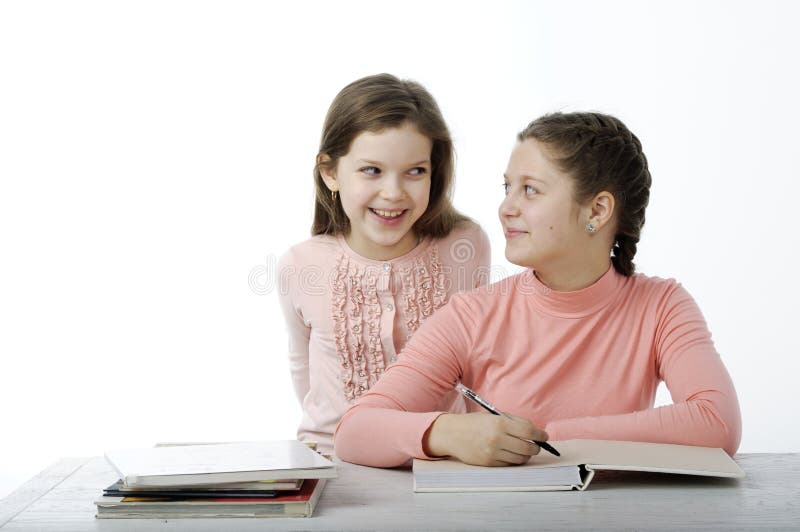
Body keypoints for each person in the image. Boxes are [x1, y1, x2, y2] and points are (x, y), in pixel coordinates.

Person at [334, 111, 741, 467]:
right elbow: (355, 431)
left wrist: (551, 437)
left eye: (530, 189)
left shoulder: (663, 306)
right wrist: (447, 433)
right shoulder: (472, 315)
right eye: (507, 188)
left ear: (597, 210)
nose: (506, 208)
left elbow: (716, 422)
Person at [277, 74, 491, 453]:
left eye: (415, 171)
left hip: (440, 461)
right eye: (372, 170)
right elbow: (303, 370)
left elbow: (479, 361)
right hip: (335, 458)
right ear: (330, 172)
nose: (393, 193)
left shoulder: (464, 245)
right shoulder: (301, 263)